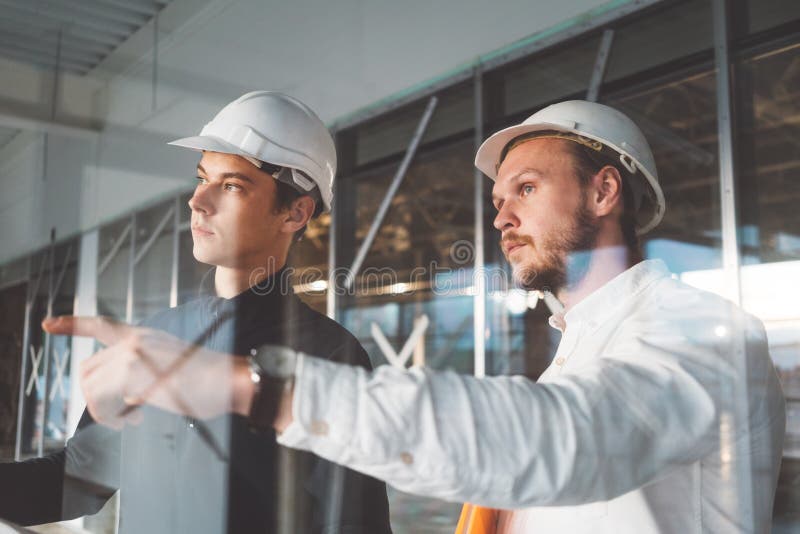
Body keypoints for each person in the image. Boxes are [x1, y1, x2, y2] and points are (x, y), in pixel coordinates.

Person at [46, 101, 786, 533]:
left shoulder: (702, 332)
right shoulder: (580, 351)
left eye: (525, 187)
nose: (500, 215)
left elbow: (565, 439)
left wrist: (250, 387)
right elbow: (82, 480)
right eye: (498, 200)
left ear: (603, 191)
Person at [2, 91, 392, 534]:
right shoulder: (158, 337)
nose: (198, 201)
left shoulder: (330, 356)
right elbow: (77, 481)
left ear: (296, 213)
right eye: (201, 178)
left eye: (231, 186)